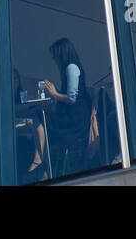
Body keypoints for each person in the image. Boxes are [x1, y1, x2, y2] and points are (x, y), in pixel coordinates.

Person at [42, 38, 98, 173]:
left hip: (75, 120)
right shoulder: (70, 68)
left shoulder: (71, 68)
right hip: (75, 116)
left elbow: (72, 98)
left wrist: (54, 94)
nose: (54, 59)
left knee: (40, 117)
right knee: (43, 118)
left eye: (55, 55)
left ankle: (40, 160)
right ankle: (43, 160)